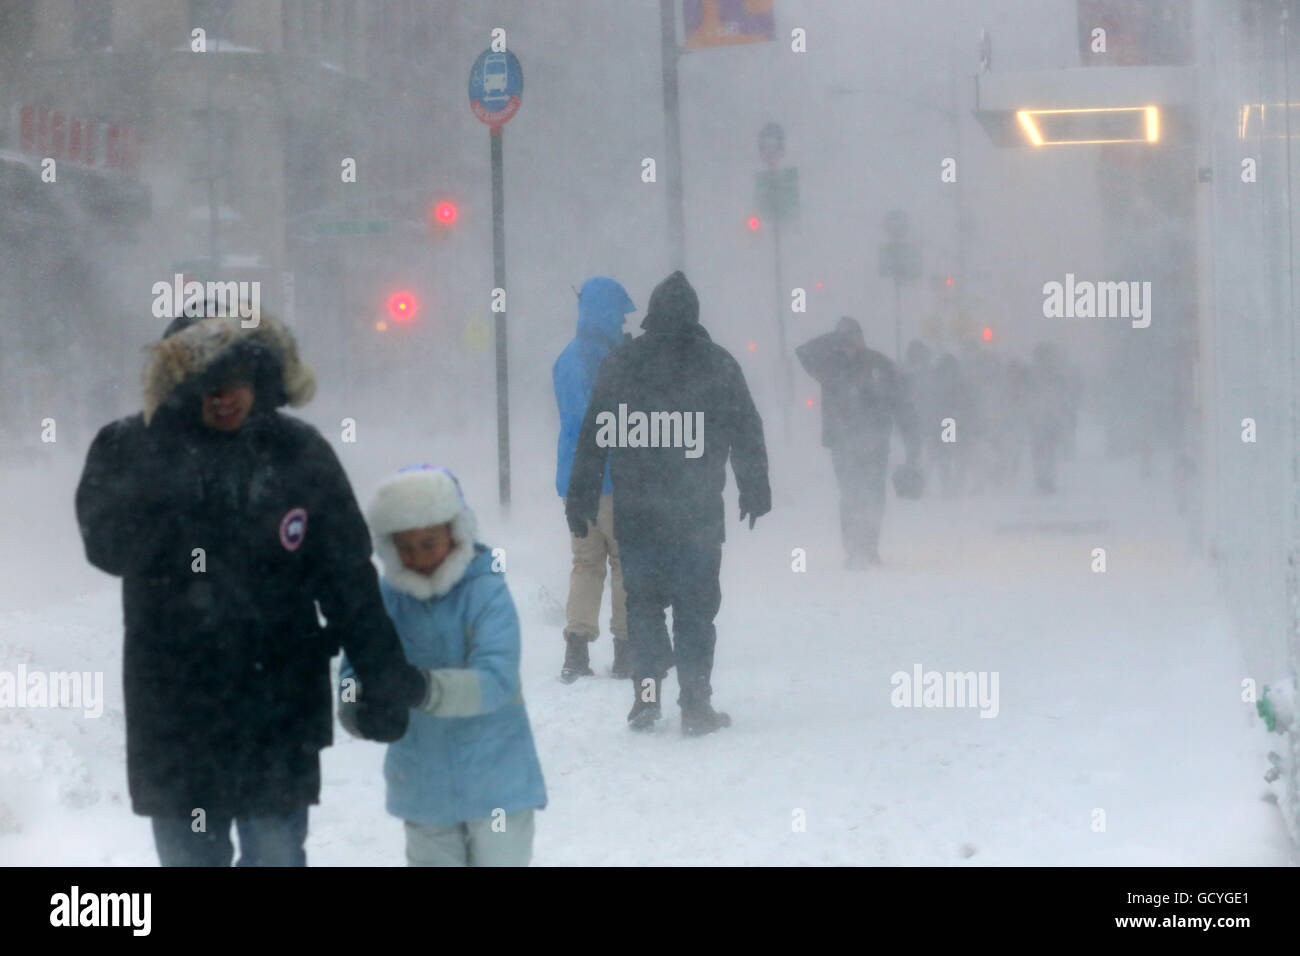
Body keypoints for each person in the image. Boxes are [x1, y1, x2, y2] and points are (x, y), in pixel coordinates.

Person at [74, 308, 428, 867]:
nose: (223, 399)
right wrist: (166, 477)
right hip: (175, 712)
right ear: (177, 386)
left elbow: (346, 576)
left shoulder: (298, 453)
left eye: (235, 382)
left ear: (259, 378)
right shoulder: (128, 449)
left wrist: (381, 676)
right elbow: (107, 547)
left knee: (276, 856)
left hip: (276, 711)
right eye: (205, 386)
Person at [567, 271, 771, 735]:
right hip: (696, 514)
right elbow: (746, 429)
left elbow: (594, 435)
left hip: (638, 514)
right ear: (695, 314)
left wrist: (580, 497)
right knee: (696, 611)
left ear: (653, 314)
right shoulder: (717, 363)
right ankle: (696, 705)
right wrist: (754, 488)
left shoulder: (621, 363)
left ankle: (645, 698)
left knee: (643, 606)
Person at [339, 465, 546, 866]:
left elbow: (497, 679)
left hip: (496, 783)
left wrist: (423, 689)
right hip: (422, 785)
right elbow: (353, 665)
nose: (418, 558)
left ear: (456, 531)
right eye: (406, 547)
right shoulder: (386, 598)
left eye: (428, 543)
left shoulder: (487, 591)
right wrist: (357, 707)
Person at [552, 277, 636, 682]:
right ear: (607, 312)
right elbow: (607, 420)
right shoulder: (613, 360)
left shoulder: (569, 357)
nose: (623, 323)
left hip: (576, 483)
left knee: (585, 564)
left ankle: (576, 651)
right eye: (620, 315)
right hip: (615, 480)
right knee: (624, 562)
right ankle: (625, 650)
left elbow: (576, 422)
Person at [796, 316, 919, 568]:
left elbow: (902, 404)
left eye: (852, 338)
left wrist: (911, 444)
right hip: (842, 444)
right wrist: (834, 339)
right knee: (850, 495)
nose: (849, 345)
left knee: (873, 495)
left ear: (862, 338)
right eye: (843, 340)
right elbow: (804, 352)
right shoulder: (830, 366)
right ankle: (854, 549)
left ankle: (869, 547)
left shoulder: (879, 364)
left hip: (875, 443)